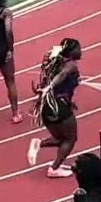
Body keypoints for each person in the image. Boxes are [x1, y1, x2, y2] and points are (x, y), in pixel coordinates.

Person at [28, 38, 84, 178]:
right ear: (71, 52)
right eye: (78, 48)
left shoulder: (54, 63)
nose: (80, 50)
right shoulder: (70, 65)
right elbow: (63, 75)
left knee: (61, 138)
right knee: (70, 139)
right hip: (57, 105)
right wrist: (50, 87)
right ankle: (54, 168)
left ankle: (39, 143)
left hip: (47, 105)